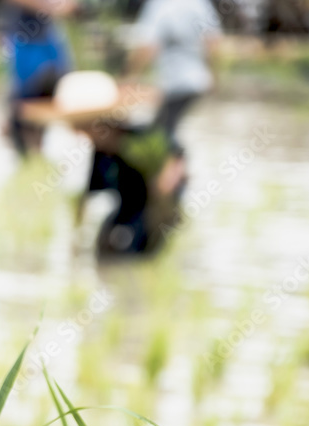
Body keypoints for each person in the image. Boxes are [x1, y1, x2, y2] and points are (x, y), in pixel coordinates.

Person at [21, 71, 185, 258]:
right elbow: (84, 194)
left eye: (83, 125)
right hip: (127, 205)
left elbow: (175, 153)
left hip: (156, 204)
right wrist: (75, 233)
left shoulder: (138, 138)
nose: (78, 132)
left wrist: (167, 178)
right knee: (107, 249)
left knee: (138, 251)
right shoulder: (97, 154)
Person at [127, 0, 222, 151]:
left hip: (176, 83)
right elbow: (213, 42)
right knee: (164, 127)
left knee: (161, 132)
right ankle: (176, 165)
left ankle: (175, 167)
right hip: (198, 81)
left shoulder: (159, 5)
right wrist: (215, 78)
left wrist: (130, 77)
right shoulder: (200, 3)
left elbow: (148, 46)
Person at [3, 0, 77, 156]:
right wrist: (49, 6)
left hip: (47, 35)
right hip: (25, 38)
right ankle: (23, 149)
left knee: (58, 91)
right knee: (26, 98)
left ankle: (37, 147)